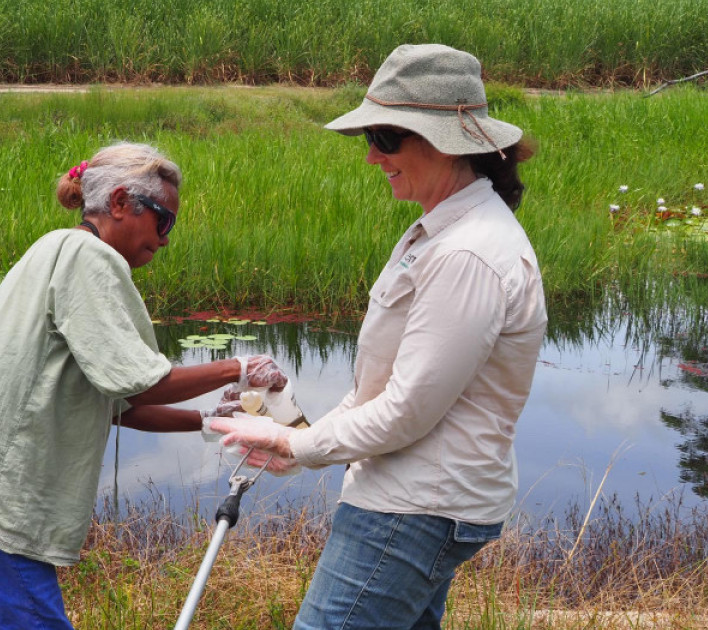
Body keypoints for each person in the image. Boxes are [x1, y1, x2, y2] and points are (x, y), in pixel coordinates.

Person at [208, 44, 548, 629]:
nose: (370, 157)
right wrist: (300, 444)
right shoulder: (442, 233)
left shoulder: (467, 252)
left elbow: (407, 411)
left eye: (385, 139)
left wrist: (296, 445)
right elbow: (383, 389)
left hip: (415, 509)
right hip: (415, 501)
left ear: (445, 142)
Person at [0, 141, 287, 630]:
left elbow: (121, 406)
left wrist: (213, 423)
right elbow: (143, 383)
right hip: (1, 490)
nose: (166, 239)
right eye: (164, 221)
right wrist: (240, 369)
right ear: (119, 203)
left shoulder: (54, 248)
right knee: (34, 620)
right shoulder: (87, 258)